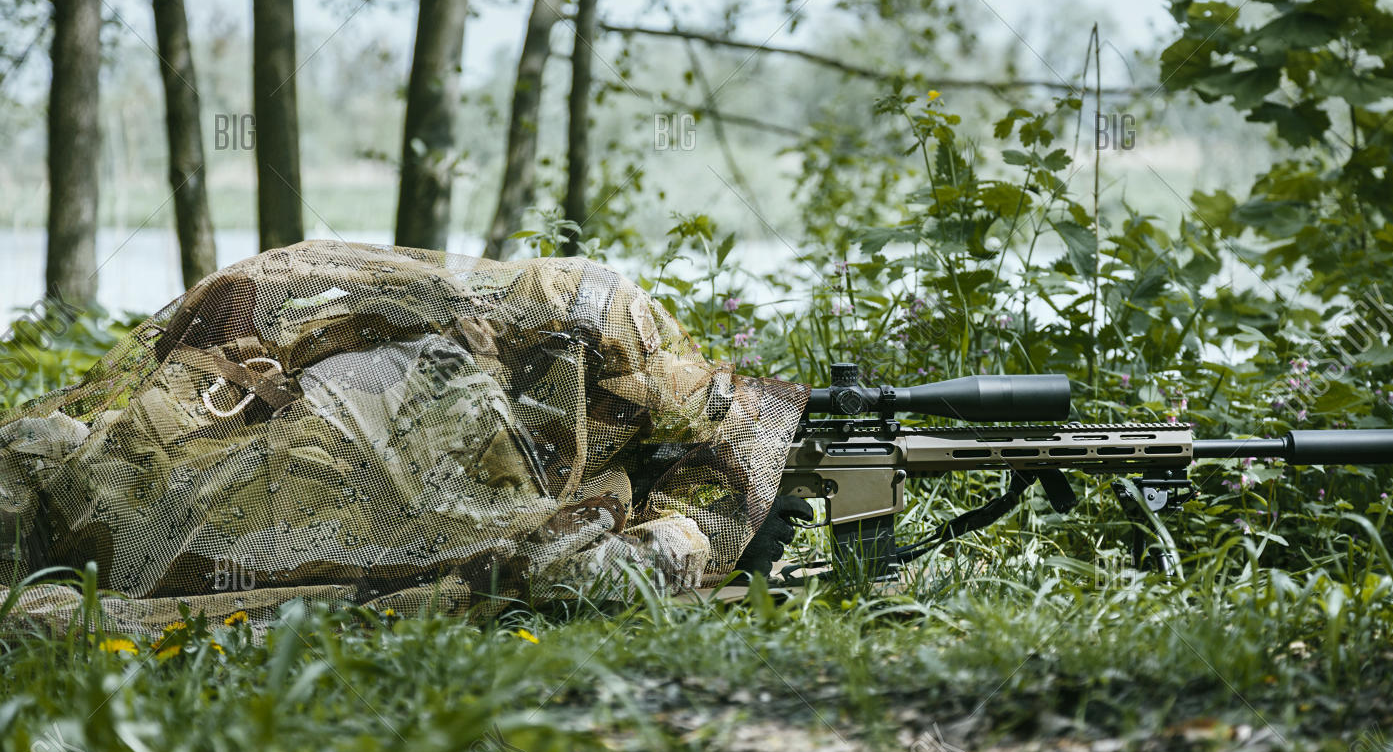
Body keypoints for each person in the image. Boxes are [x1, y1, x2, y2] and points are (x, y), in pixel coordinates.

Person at [0, 241, 808, 634]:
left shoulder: (592, 328)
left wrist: (663, 540)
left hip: (477, 473)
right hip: (198, 500)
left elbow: (723, 433)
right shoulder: (110, 479)